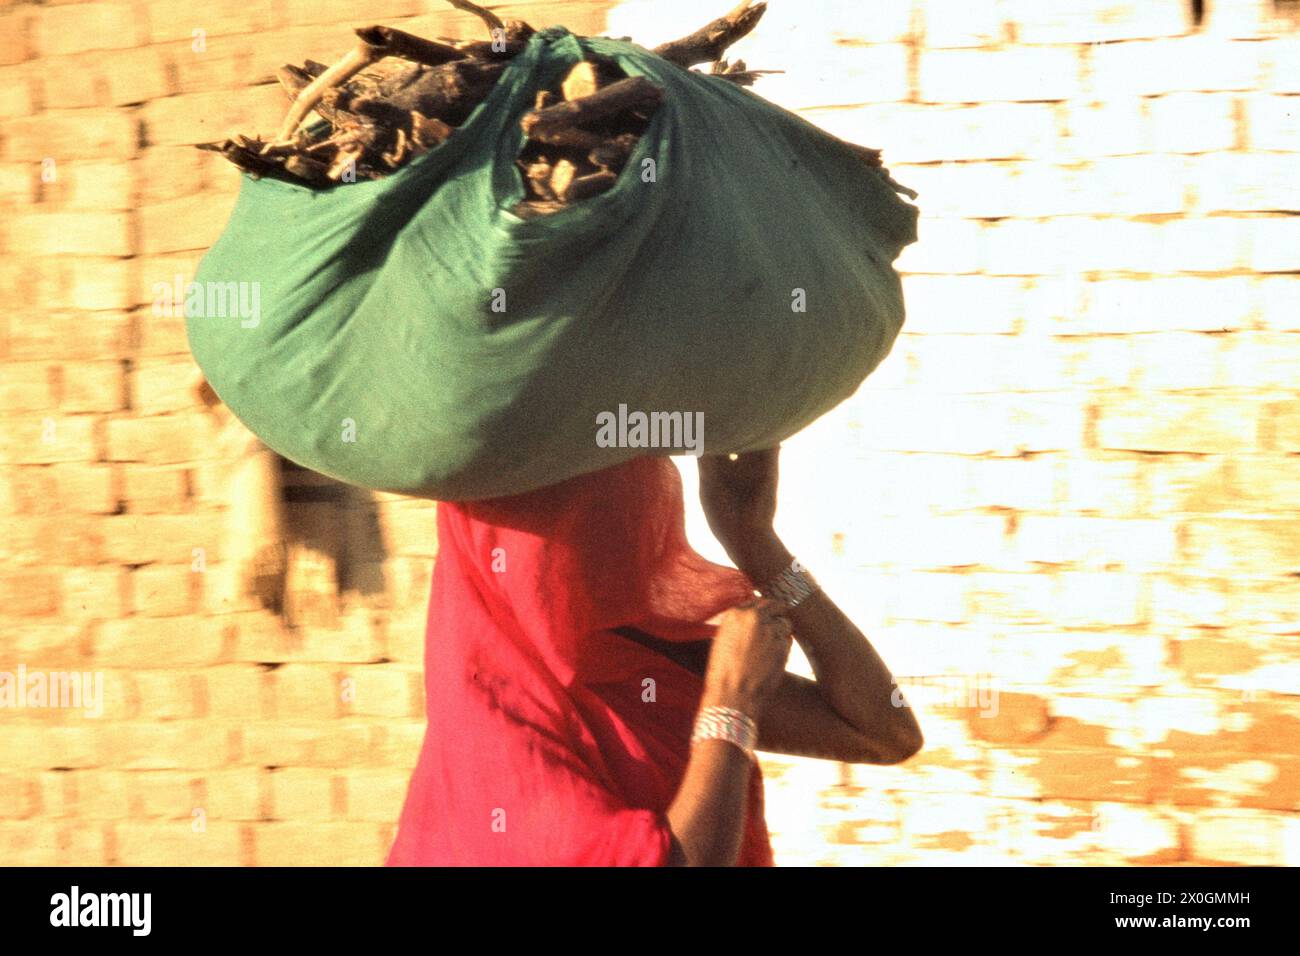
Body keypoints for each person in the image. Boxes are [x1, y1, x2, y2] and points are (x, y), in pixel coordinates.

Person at [385, 447, 923, 866]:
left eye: (625, 535)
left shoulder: (634, 655)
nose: (615, 564)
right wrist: (729, 706)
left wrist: (754, 541)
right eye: (581, 542)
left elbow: (883, 731)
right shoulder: (492, 725)